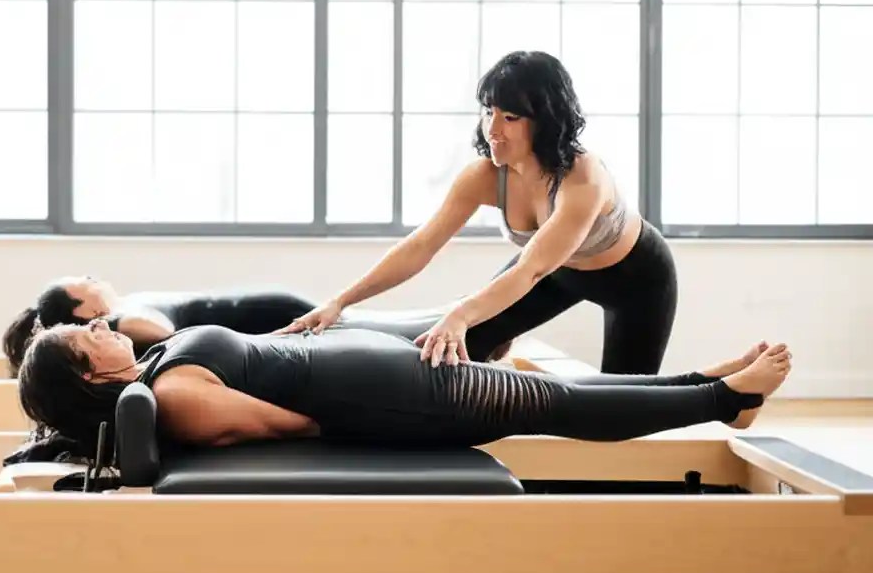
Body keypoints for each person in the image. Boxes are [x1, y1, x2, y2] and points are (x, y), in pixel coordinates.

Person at [276, 50, 678, 376]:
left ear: (547, 120)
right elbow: (421, 245)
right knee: (457, 341)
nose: (493, 129)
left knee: (622, 408)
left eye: (510, 117)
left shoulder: (584, 178)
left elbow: (530, 270)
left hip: (634, 281)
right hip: (557, 273)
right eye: (489, 111)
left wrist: (462, 311)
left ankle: (729, 396)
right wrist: (339, 302)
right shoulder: (485, 176)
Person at [16, 319, 790, 460]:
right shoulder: (171, 391)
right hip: (402, 401)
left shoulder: (157, 364)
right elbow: (289, 426)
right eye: (93, 336)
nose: (109, 326)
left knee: (564, 389)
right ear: (90, 373)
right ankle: (723, 403)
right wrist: (374, 403)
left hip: (394, 376)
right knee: (561, 404)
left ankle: (705, 382)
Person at [2, 276, 461, 377]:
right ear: (85, 314)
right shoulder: (125, 321)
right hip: (274, 325)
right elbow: (166, 337)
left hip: (272, 317)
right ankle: (467, 325)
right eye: (85, 283)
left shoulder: (120, 314)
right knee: (384, 330)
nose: (95, 279)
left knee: (382, 326)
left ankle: (467, 321)